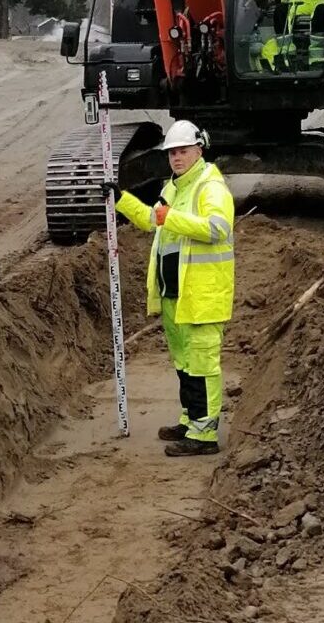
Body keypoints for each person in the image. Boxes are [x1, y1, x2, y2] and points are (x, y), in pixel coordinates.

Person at [112, 120, 235, 456]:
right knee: (184, 363)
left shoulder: (210, 186)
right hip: (174, 294)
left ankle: (204, 436)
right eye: (172, 152)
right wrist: (121, 199)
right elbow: (153, 220)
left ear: (199, 149)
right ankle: (189, 420)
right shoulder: (174, 188)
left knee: (202, 365)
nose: (176, 157)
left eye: (182, 151)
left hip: (202, 294)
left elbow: (217, 229)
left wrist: (171, 218)